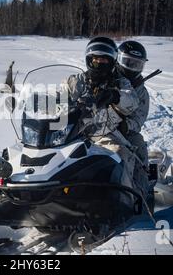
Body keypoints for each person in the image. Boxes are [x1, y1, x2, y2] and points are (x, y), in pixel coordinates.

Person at [64, 37, 140, 188]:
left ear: (112, 62)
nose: (99, 63)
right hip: (71, 132)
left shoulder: (120, 82)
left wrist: (115, 96)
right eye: (96, 59)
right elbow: (58, 96)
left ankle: (126, 193)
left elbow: (132, 101)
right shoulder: (77, 80)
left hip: (104, 132)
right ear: (88, 60)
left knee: (119, 153)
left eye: (104, 60)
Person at [116, 40, 151, 202]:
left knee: (139, 146)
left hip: (124, 131)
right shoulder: (108, 76)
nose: (131, 67)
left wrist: (125, 125)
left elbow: (139, 119)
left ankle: (140, 193)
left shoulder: (141, 91)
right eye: (128, 62)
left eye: (137, 64)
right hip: (95, 126)